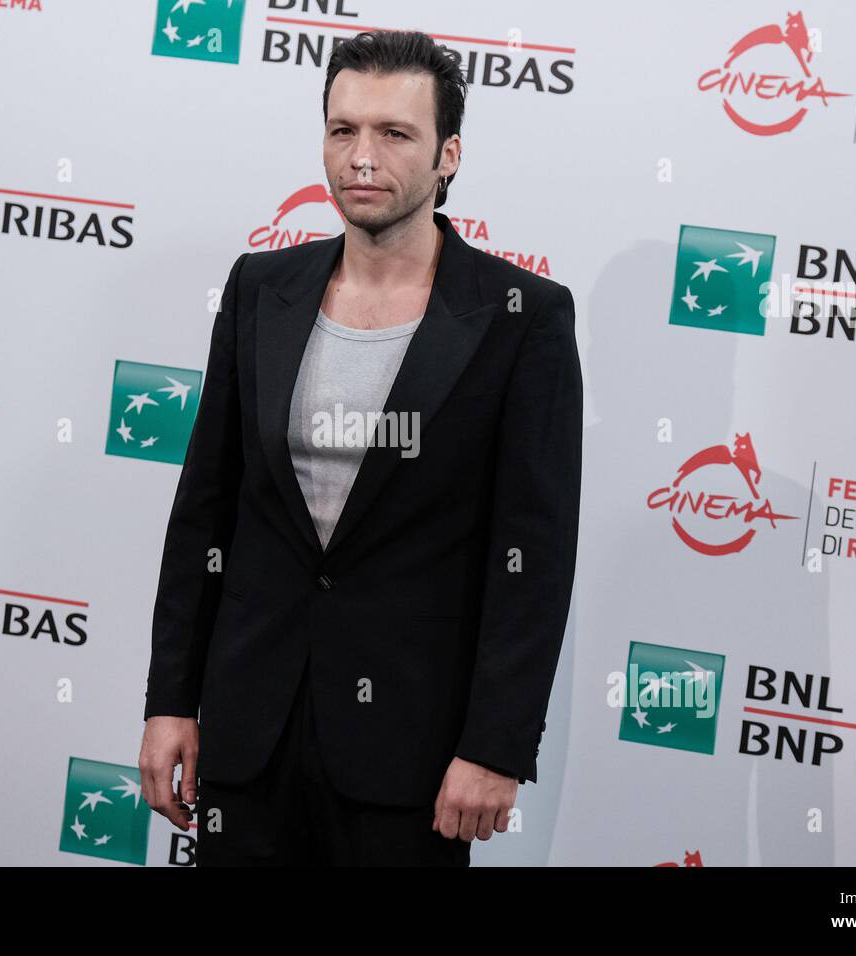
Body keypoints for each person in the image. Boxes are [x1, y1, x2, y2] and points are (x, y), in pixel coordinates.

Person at [137, 29, 583, 866]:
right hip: (248, 735)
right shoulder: (260, 287)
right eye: (343, 131)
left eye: (395, 134)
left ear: (449, 155)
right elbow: (206, 509)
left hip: (411, 753)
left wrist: (496, 745)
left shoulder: (523, 317)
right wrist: (172, 700)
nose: (362, 158)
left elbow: (533, 550)